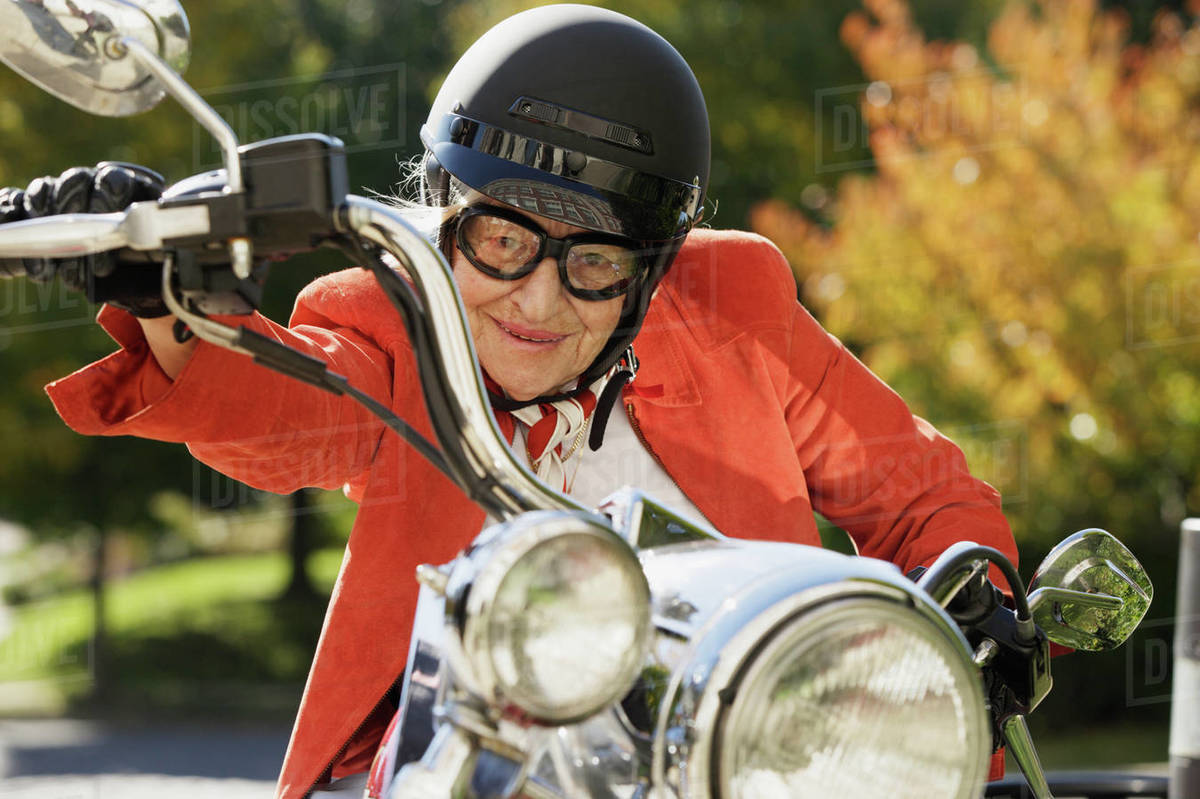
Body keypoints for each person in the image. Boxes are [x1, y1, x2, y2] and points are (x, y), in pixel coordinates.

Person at [4, 4, 1017, 796]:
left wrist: (974, 606)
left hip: (742, 762)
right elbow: (282, 413)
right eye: (502, 239)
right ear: (444, 213)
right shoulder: (396, 318)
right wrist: (169, 301)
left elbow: (920, 491)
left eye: (595, 261)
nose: (537, 299)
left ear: (652, 268)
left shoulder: (733, 308)